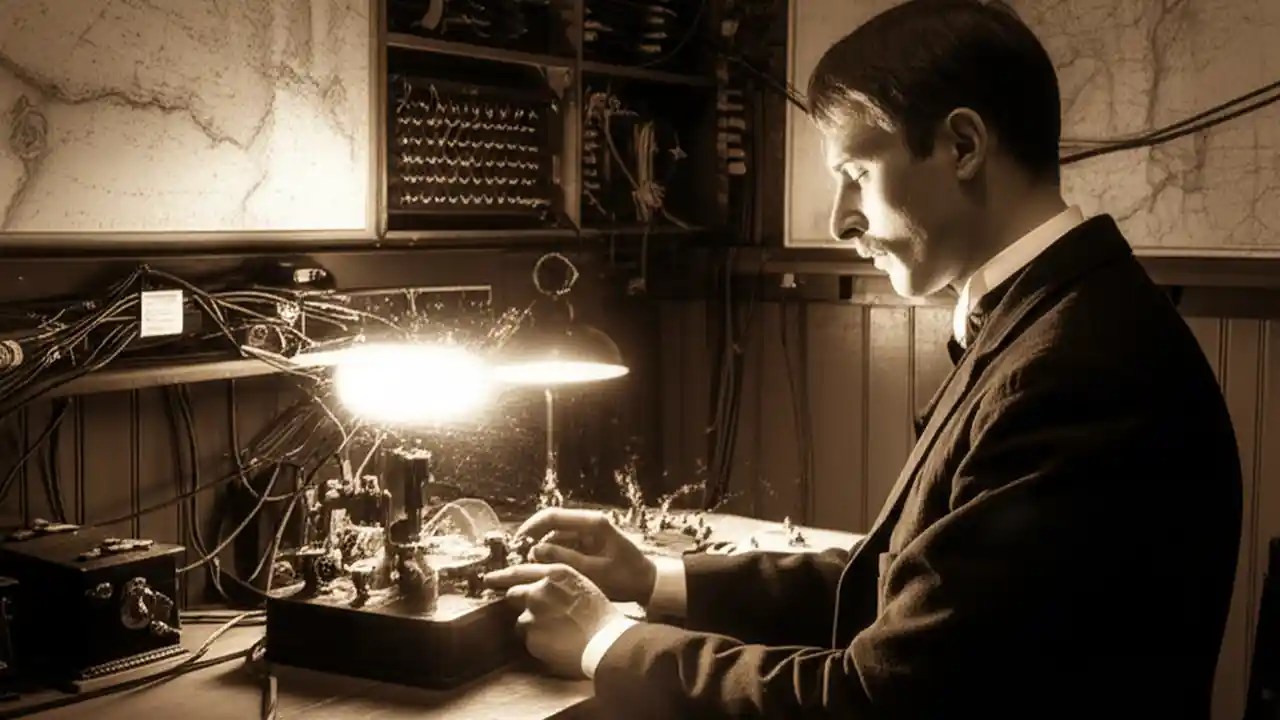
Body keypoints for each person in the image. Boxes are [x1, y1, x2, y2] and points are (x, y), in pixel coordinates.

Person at [483, 1, 1243, 717]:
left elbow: (884, 699)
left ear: (964, 146)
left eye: (856, 175)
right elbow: (912, 588)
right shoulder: (1055, 317)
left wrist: (608, 642)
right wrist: (655, 577)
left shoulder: (1079, 370)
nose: (841, 221)